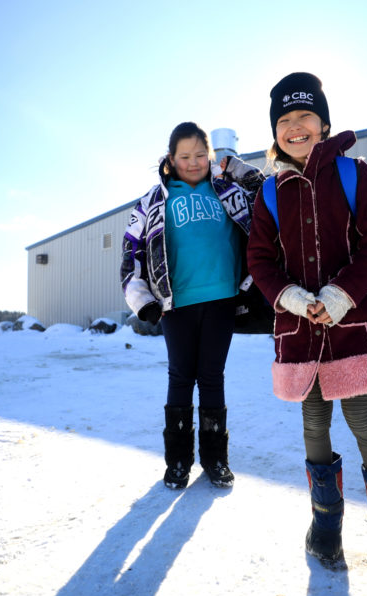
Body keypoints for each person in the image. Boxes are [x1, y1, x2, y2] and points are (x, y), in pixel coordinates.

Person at [246, 73, 367, 576]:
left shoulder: (353, 173)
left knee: (363, 420)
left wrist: (340, 295)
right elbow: (259, 260)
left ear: (323, 123)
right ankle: (325, 523)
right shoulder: (270, 192)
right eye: (284, 119)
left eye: (305, 115)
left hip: (350, 324)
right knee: (314, 422)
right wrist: (291, 298)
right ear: (275, 132)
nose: (295, 126)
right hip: (300, 331)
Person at [121, 121, 262, 489]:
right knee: (181, 377)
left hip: (222, 299)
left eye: (201, 155)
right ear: (171, 159)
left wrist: (235, 168)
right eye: (185, 156)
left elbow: (265, 194)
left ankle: (216, 459)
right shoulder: (155, 200)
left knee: (212, 377)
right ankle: (178, 461)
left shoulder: (227, 190)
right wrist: (142, 300)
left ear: (211, 156)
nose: (194, 162)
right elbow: (131, 251)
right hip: (176, 304)